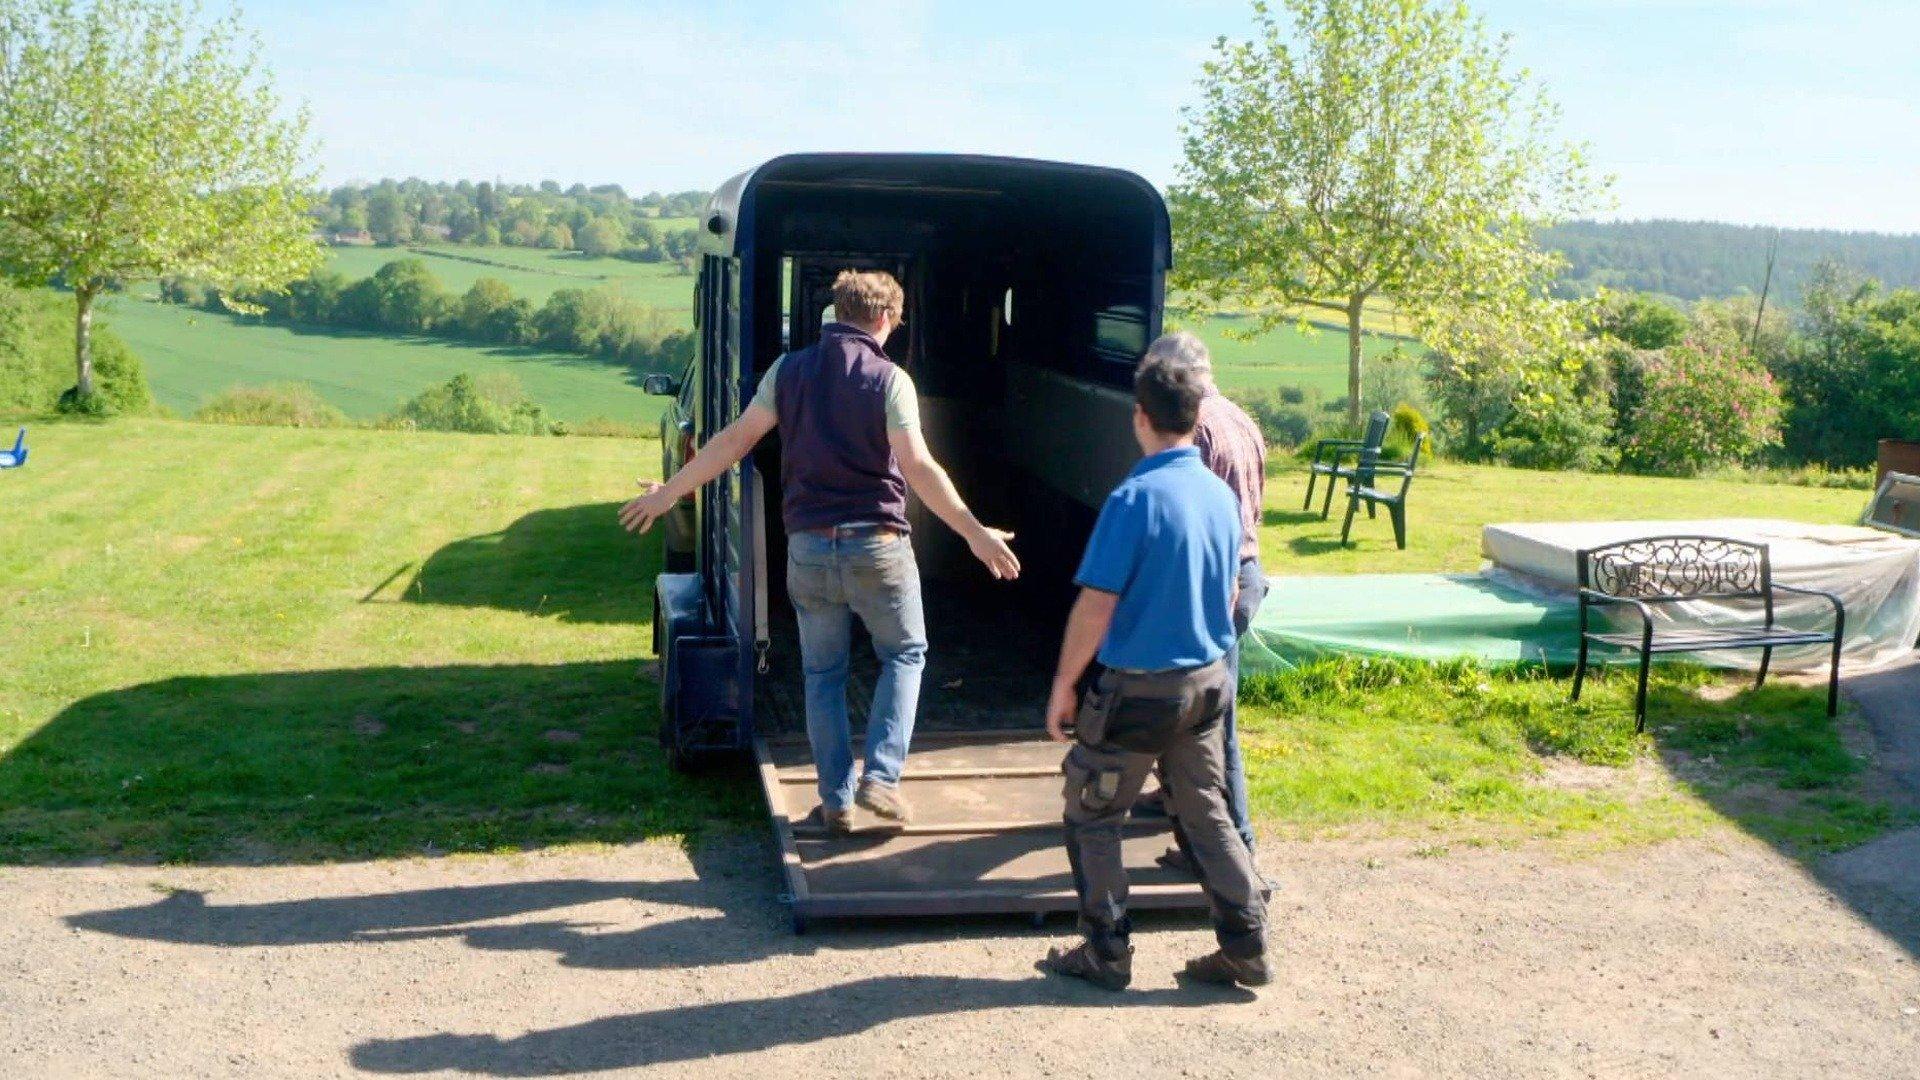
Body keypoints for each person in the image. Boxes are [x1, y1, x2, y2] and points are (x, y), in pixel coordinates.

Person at [619, 269, 1020, 832]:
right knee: (904, 655)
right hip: (879, 546)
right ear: (886, 319)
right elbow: (919, 468)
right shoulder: (891, 380)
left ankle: (835, 801)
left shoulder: (787, 371)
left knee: (823, 675)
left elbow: (734, 441)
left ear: (836, 311)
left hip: (807, 549)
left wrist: (669, 493)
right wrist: (974, 532)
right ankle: (881, 779)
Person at [1038, 336, 1269, 992]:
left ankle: (1106, 953)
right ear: (1197, 415)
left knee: (1092, 811)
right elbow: (1229, 595)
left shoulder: (1133, 500)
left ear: (1139, 414)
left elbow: (1095, 607)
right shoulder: (1220, 497)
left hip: (1138, 693)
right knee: (1207, 812)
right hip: (1206, 686)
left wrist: (1064, 685)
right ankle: (1246, 945)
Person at [1138, 331, 1268, 864]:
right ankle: (1182, 811)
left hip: (1215, 580)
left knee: (1213, 727)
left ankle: (1232, 849)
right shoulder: (1241, 419)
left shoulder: (1196, 432)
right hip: (1247, 571)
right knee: (1193, 714)